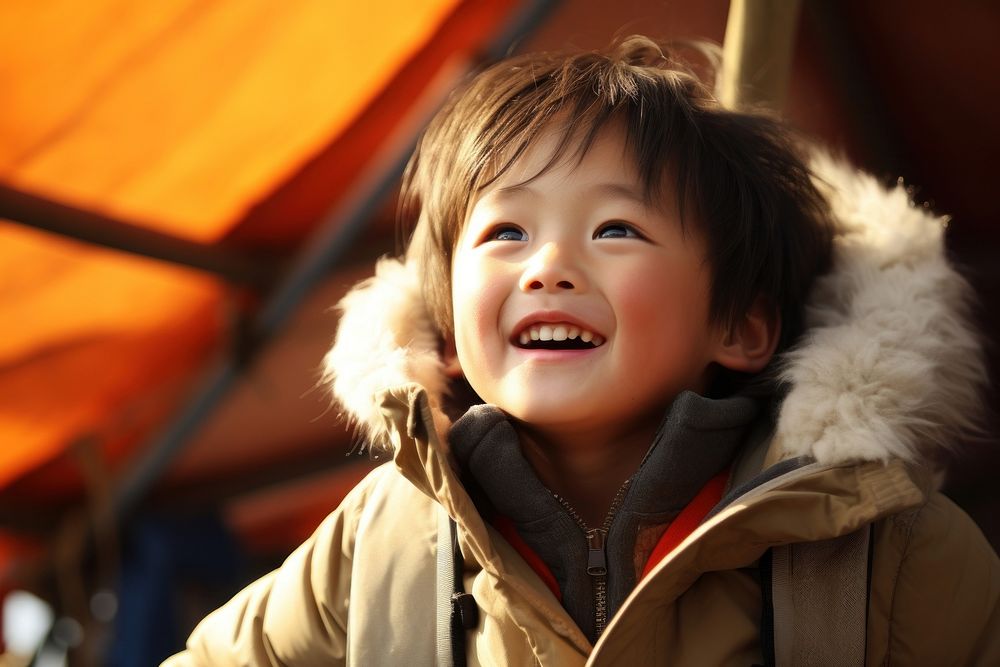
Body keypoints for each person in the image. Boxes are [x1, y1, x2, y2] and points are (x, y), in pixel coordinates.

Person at [164, 36, 1000, 665]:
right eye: (505, 231)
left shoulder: (882, 547)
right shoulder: (379, 539)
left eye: (615, 229)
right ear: (449, 329)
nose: (549, 266)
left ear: (742, 326)